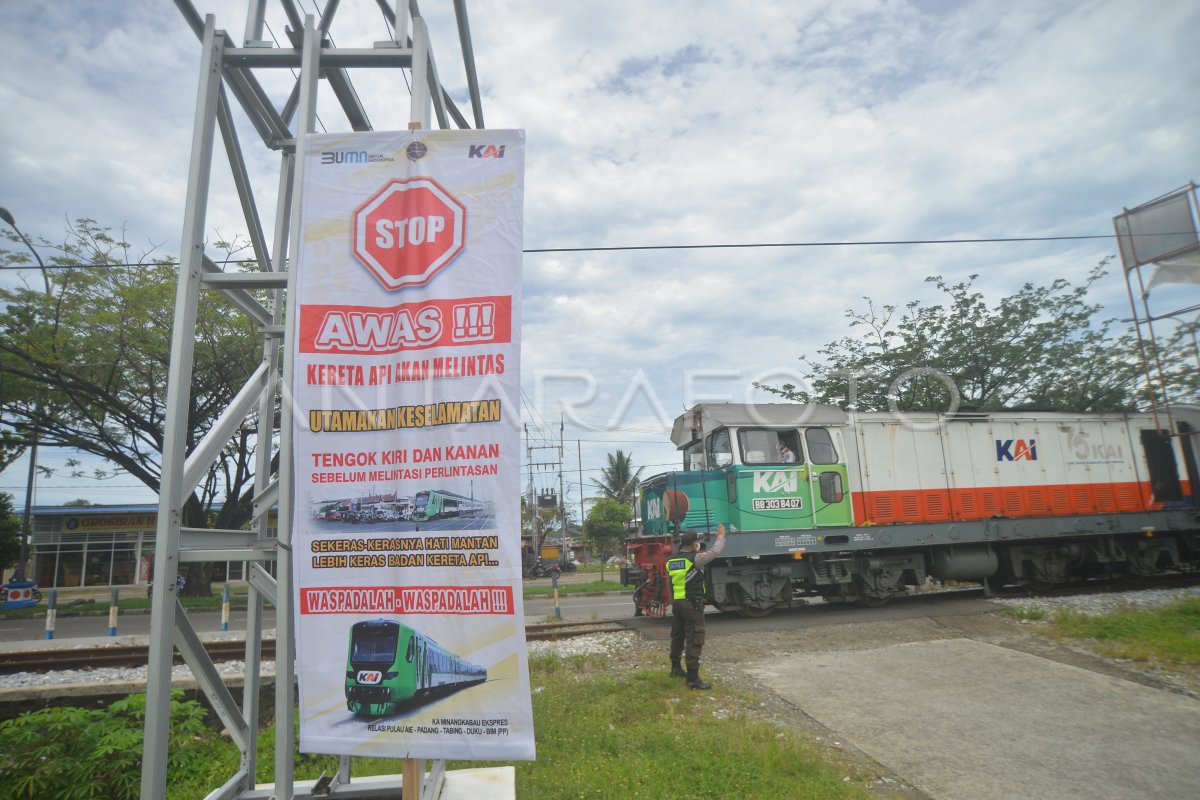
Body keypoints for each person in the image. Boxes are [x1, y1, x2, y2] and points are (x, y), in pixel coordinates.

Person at [666, 523, 727, 689]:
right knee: (695, 637)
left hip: (678, 604)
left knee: (677, 636)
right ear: (693, 543)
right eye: (697, 542)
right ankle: (693, 678)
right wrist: (721, 536)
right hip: (692, 603)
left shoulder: (671, 561)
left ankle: (676, 667)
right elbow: (715, 552)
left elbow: (671, 582)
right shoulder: (696, 559)